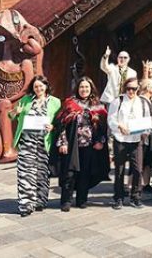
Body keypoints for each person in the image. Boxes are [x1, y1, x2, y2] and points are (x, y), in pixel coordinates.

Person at [50, 77, 109, 211]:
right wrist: (63, 142)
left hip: (89, 146)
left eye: (87, 87)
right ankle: (66, 200)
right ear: (77, 88)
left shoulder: (98, 105)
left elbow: (103, 126)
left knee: (85, 173)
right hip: (72, 145)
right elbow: (61, 124)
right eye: (82, 87)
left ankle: (82, 199)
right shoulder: (69, 103)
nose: (84, 90)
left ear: (91, 89)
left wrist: (100, 141)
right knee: (69, 173)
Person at [9, 76, 61, 216]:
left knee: (41, 173)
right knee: (25, 172)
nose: (38, 89)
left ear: (46, 86)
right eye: (36, 86)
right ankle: (26, 205)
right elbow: (11, 116)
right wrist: (16, 112)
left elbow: (60, 121)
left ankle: (40, 200)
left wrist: (53, 127)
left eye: (41, 86)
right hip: (27, 142)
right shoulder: (26, 100)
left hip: (44, 142)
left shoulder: (55, 102)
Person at [107, 77, 152, 210]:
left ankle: (135, 197)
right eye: (128, 88)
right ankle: (118, 197)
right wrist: (119, 126)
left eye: (134, 88)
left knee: (138, 169)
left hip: (136, 140)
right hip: (120, 139)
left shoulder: (143, 102)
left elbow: (147, 120)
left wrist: (146, 131)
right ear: (125, 88)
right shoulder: (118, 101)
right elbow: (111, 119)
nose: (131, 91)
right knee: (119, 170)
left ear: (138, 89)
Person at [138, 79, 152, 193]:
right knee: (140, 161)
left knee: (147, 161)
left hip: (151, 137)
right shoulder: (142, 101)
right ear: (148, 88)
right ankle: (134, 185)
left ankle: (146, 183)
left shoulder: (148, 101)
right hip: (144, 138)